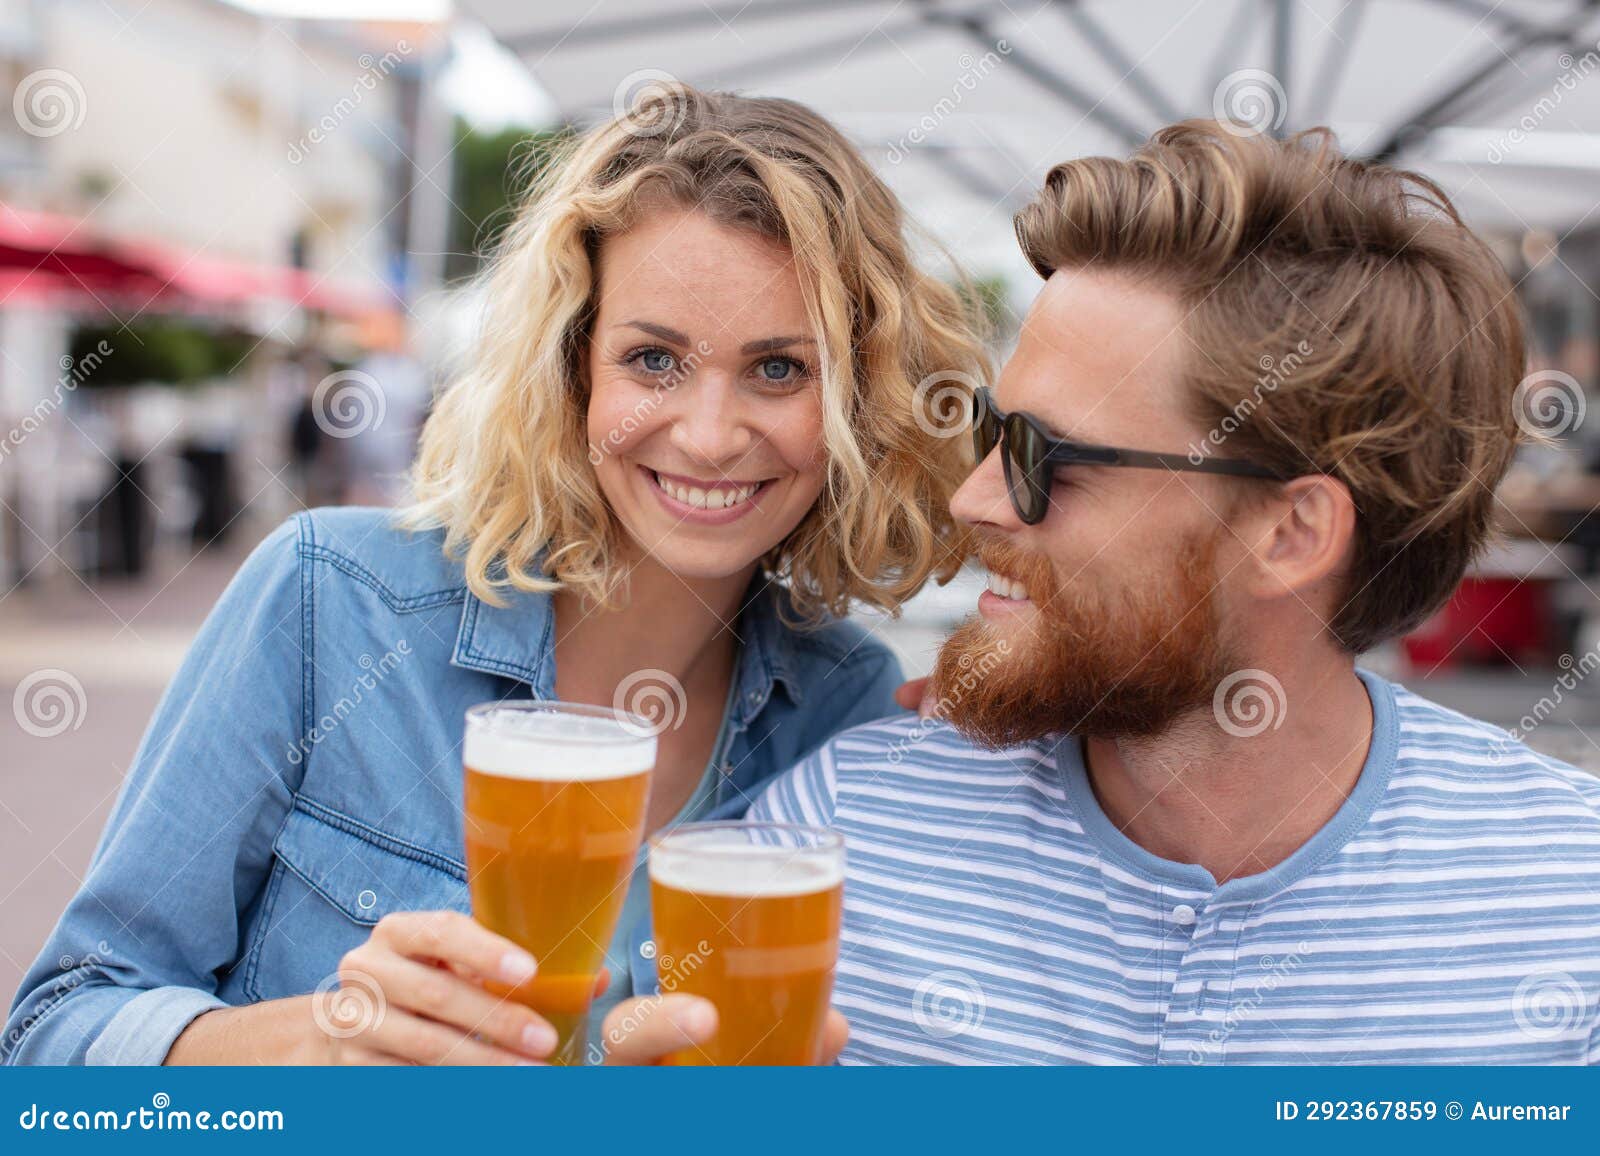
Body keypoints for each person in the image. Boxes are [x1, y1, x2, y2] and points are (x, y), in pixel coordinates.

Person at [2, 85, 986, 1065]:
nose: (710, 434)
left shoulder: (852, 712)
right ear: (573, 368)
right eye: (653, 360)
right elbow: (49, 1051)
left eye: (778, 369)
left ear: (857, 396)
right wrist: (323, 1042)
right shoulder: (331, 599)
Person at [602, 121, 1600, 1065]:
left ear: (1291, 533)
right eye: (993, 433)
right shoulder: (824, 848)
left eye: (1044, 457)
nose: (974, 498)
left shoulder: (1569, 910)